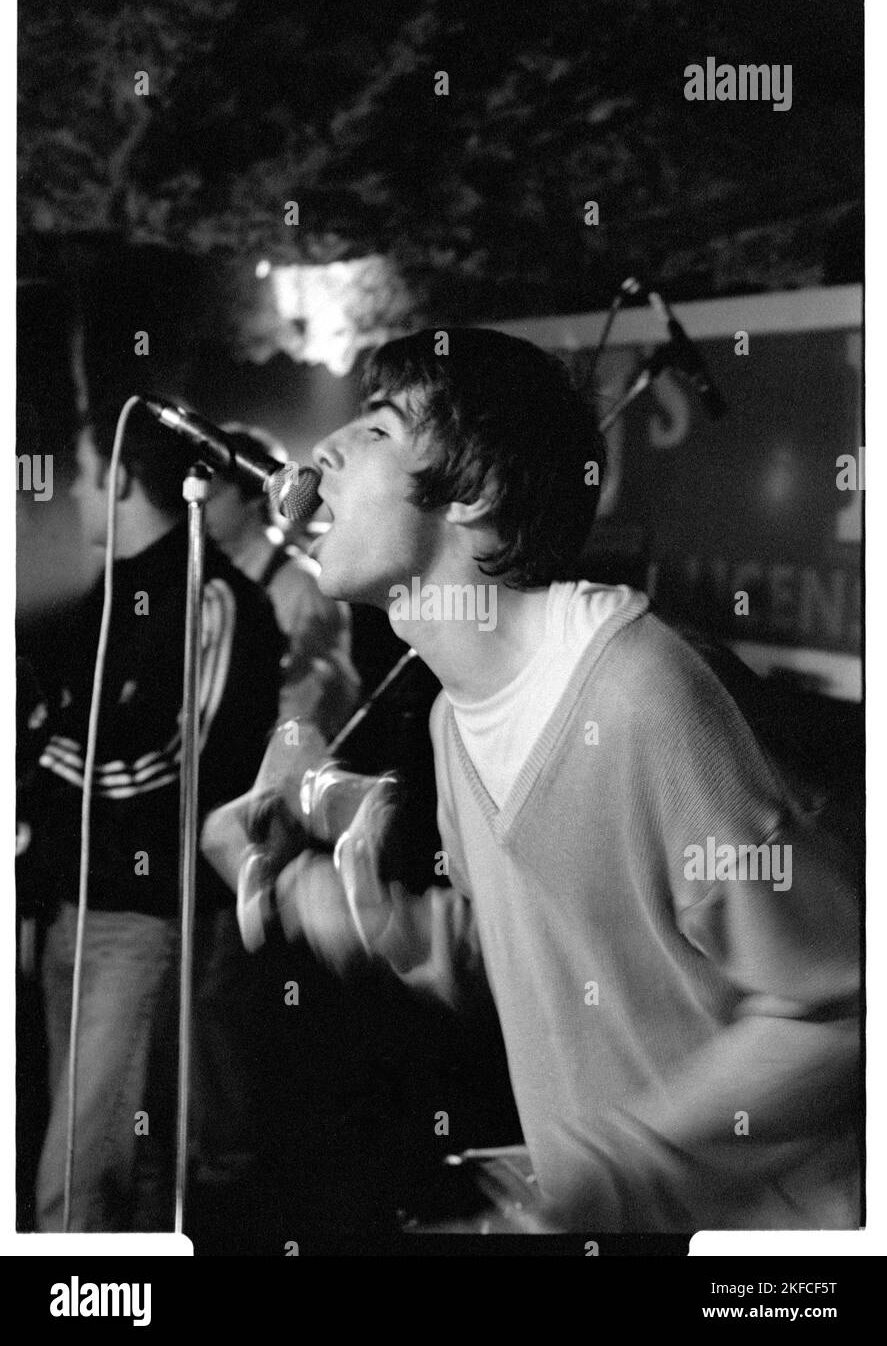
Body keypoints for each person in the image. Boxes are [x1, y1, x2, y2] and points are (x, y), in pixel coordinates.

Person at [237, 327, 860, 1233]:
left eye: (375, 428)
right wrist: (392, 929)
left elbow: (835, 1012)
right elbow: (548, 941)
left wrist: (607, 1167)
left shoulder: (644, 694)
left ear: (476, 492)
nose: (322, 450)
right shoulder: (454, 720)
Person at [32, 401, 283, 1231]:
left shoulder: (213, 598)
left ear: (122, 480)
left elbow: (181, 768)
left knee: (75, 1178)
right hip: (74, 906)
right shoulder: (104, 597)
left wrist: (46, 766)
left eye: (83, 474)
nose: (72, 493)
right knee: (117, 1162)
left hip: (145, 918)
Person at [205, 425, 360, 740]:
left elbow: (316, 703)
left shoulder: (300, 585)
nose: (200, 504)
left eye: (214, 494)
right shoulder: (211, 574)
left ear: (252, 497)